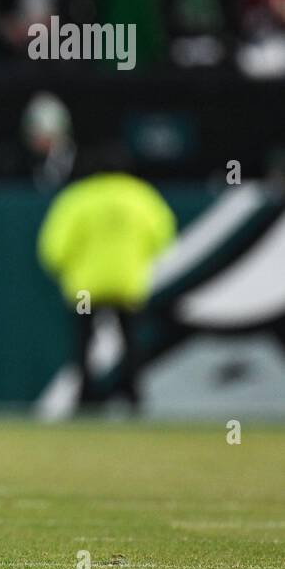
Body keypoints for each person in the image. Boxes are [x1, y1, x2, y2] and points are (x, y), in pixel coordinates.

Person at [37, 168, 177, 411]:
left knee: (83, 343)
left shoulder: (78, 197)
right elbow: (163, 235)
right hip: (127, 283)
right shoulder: (139, 194)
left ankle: (85, 399)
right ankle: (134, 398)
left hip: (85, 286)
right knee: (130, 340)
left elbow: (54, 247)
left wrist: (65, 269)